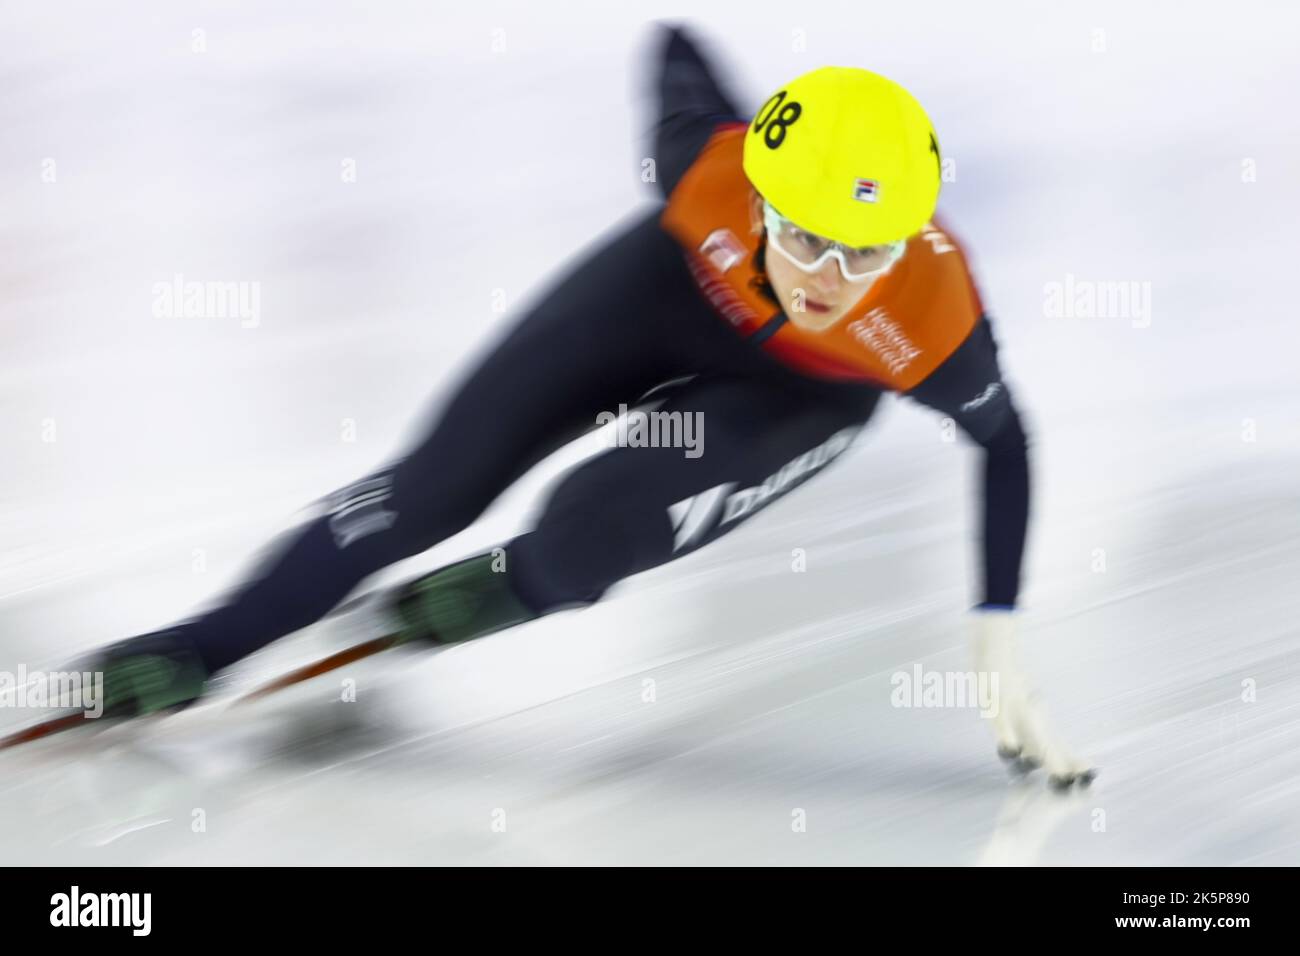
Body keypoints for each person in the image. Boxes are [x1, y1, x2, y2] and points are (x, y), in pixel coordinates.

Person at [82, 26, 1093, 787]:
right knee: (425, 491)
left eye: (864, 250)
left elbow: (1006, 441)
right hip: (660, 292)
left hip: (795, 396)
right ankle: (201, 643)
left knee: (591, 531)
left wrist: (994, 628)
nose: (830, 275)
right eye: (803, 236)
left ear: (904, 242)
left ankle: (508, 585)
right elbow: (675, 47)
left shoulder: (931, 319)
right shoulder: (702, 163)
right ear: (756, 199)